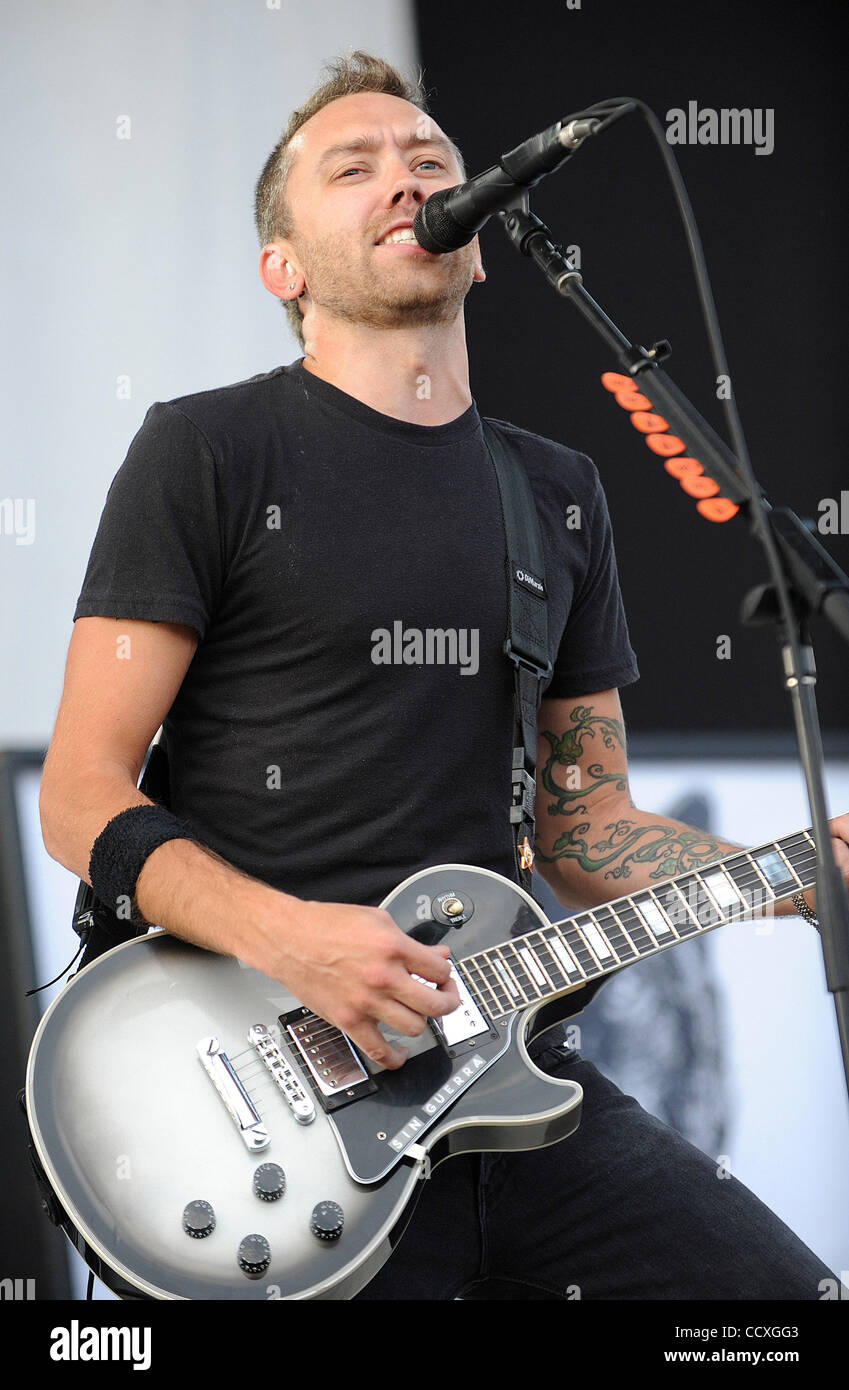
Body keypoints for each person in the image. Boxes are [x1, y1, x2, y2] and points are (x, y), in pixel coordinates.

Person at [40, 51, 848, 1301]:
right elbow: (80, 799)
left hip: (508, 1069)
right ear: (285, 268)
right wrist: (297, 941)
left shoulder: (556, 492)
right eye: (351, 166)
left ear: (479, 242)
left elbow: (584, 830)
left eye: (430, 162)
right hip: (267, 1086)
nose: (407, 178)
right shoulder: (207, 450)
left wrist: (802, 876)